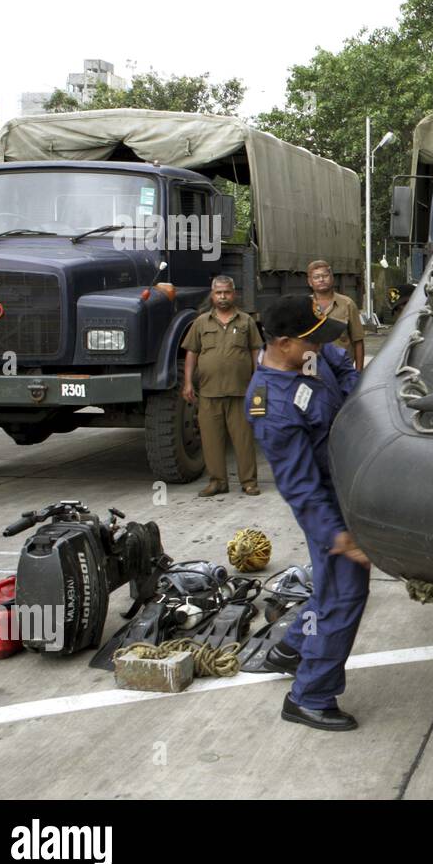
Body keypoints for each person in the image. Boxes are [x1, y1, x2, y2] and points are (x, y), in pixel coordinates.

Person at [246, 296, 371, 731]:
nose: (318, 347)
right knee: (344, 595)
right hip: (326, 505)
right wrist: (337, 535)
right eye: (309, 342)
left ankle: (291, 646)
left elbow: (341, 365)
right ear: (281, 343)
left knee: (331, 589)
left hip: (344, 483)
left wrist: (359, 397)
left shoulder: (309, 357)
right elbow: (298, 486)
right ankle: (309, 696)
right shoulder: (273, 407)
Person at [181, 276, 264, 497]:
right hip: (208, 392)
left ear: (233, 294)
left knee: (243, 440)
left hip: (240, 392)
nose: (223, 297)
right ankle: (217, 482)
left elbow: (256, 351)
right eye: (218, 293)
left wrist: (258, 382)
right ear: (212, 295)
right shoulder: (201, 322)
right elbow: (191, 353)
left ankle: (249, 482)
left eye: (227, 292)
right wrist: (188, 382)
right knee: (211, 441)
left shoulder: (246, 321)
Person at [307, 259, 366, 371]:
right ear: (310, 282)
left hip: (341, 369)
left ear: (332, 278)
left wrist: (358, 374)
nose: (321, 279)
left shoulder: (347, 304)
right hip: (313, 369)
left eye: (325, 275)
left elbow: (358, 340)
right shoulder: (305, 306)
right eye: (316, 277)